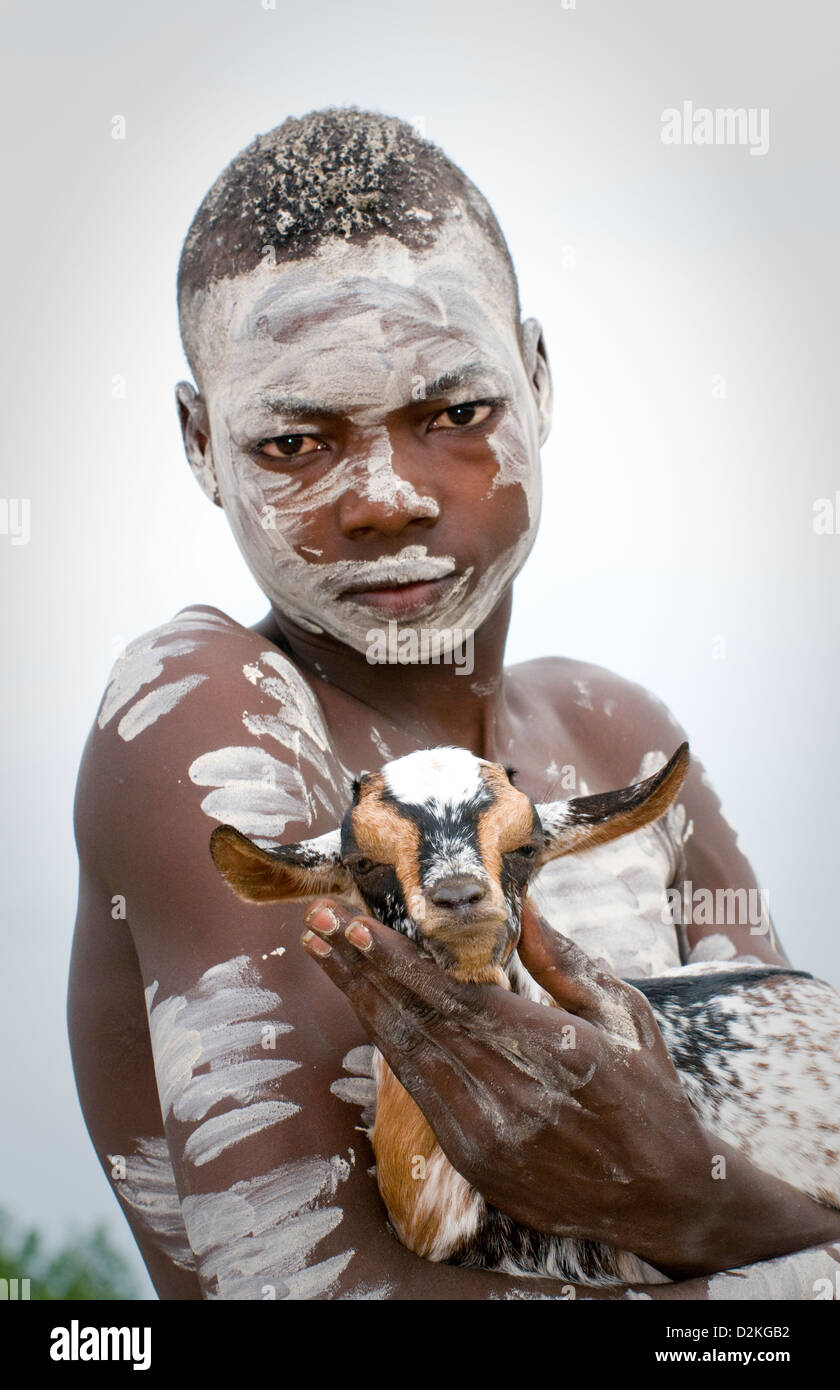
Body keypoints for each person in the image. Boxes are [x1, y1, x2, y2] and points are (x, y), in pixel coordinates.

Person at [68, 107, 840, 1300]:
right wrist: (720, 1219)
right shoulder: (204, 710)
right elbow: (302, 1291)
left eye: (455, 413)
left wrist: (701, 1204)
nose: (384, 497)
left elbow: (811, 1148)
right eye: (293, 442)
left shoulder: (616, 733)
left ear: (536, 377)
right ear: (199, 440)